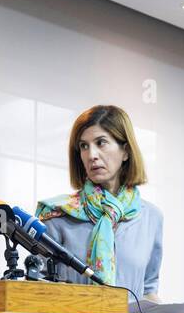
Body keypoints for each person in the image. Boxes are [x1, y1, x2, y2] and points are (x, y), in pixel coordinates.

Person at [37, 105, 162, 300]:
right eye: (83, 146)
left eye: (101, 143)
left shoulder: (151, 217)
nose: (91, 155)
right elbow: (36, 288)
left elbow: (148, 290)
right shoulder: (56, 215)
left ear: (126, 151)